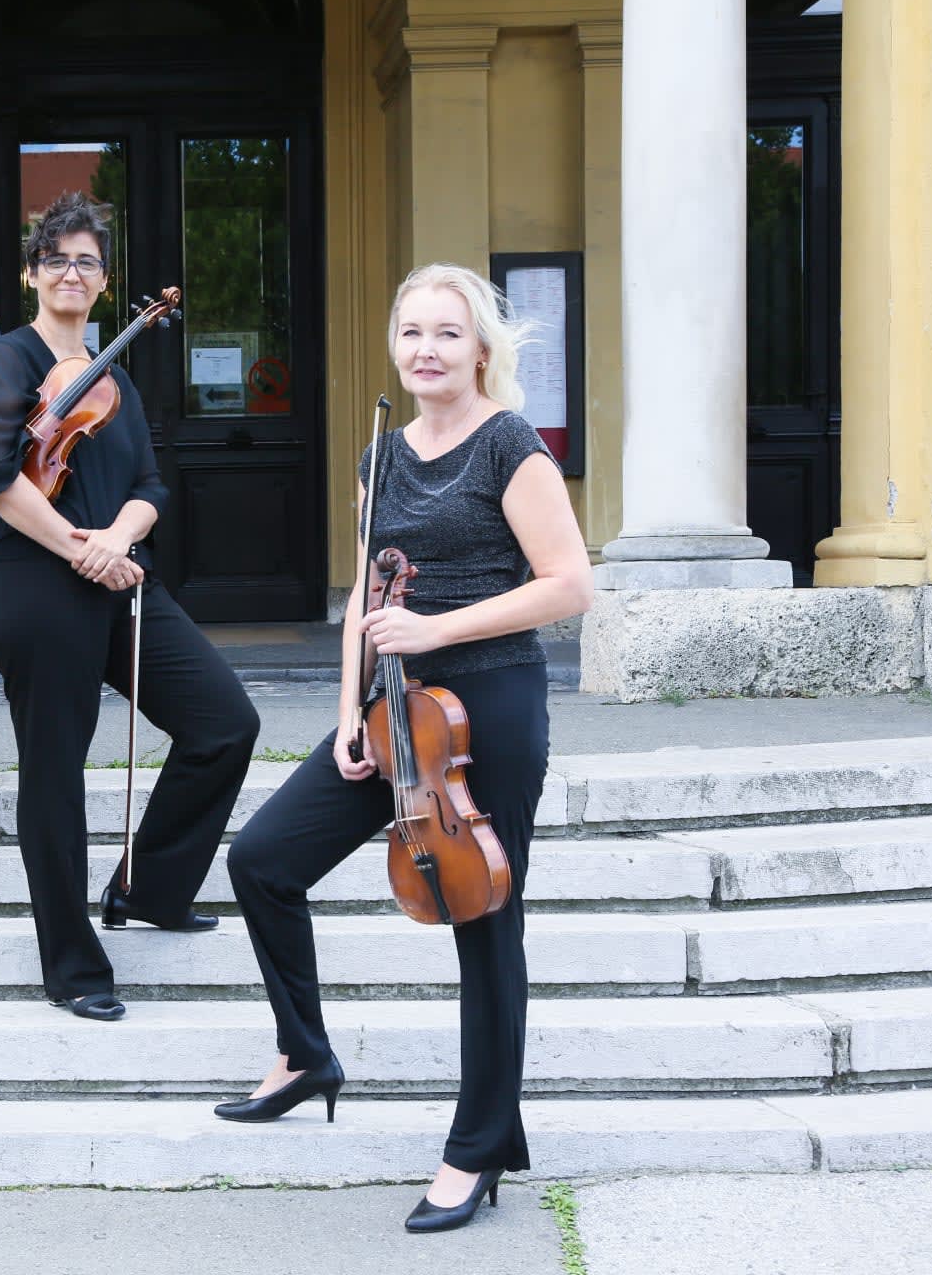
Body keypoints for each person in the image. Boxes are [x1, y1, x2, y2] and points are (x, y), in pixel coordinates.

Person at [216, 262, 593, 1232]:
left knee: (484, 917)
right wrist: (347, 712)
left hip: (492, 706)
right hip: (389, 708)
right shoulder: (378, 457)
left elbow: (567, 584)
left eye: (447, 333)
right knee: (263, 858)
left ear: (481, 349)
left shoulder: (512, 447)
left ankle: (477, 1151)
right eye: (412, 331)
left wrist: (437, 627)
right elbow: (365, 601)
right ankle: (306, 1050)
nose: (426, 349)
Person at [0, 192, 259, 1022]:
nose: (70, 272)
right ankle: (73, 965)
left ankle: (152, 887)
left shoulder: (117, 377)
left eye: (86, 261)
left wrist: (119, 540)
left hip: (120, 578)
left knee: (223, 723)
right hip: (37, 586)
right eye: (55, 258)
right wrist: (79, 548)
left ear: (103, 281)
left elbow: (150, 485)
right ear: (30, 274)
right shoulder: (8, 361)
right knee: (55, 773)